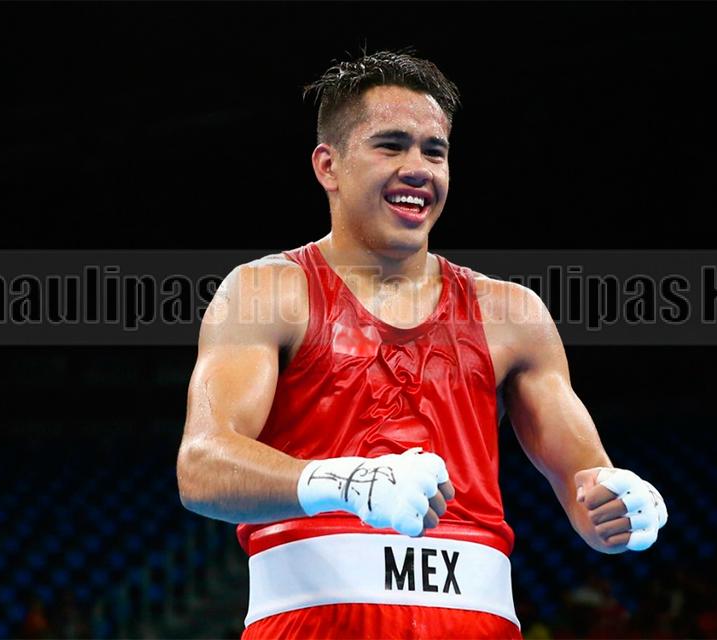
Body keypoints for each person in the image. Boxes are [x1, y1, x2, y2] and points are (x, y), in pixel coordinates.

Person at [176, 49, 668, 639]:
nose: (419, 167)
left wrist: (616, 506)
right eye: (391, 145)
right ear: (328, 166)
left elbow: (587, 485)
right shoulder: (267, 292)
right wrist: (348, 483)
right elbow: (202, 467)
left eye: (434, 151)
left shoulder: (511, 314)